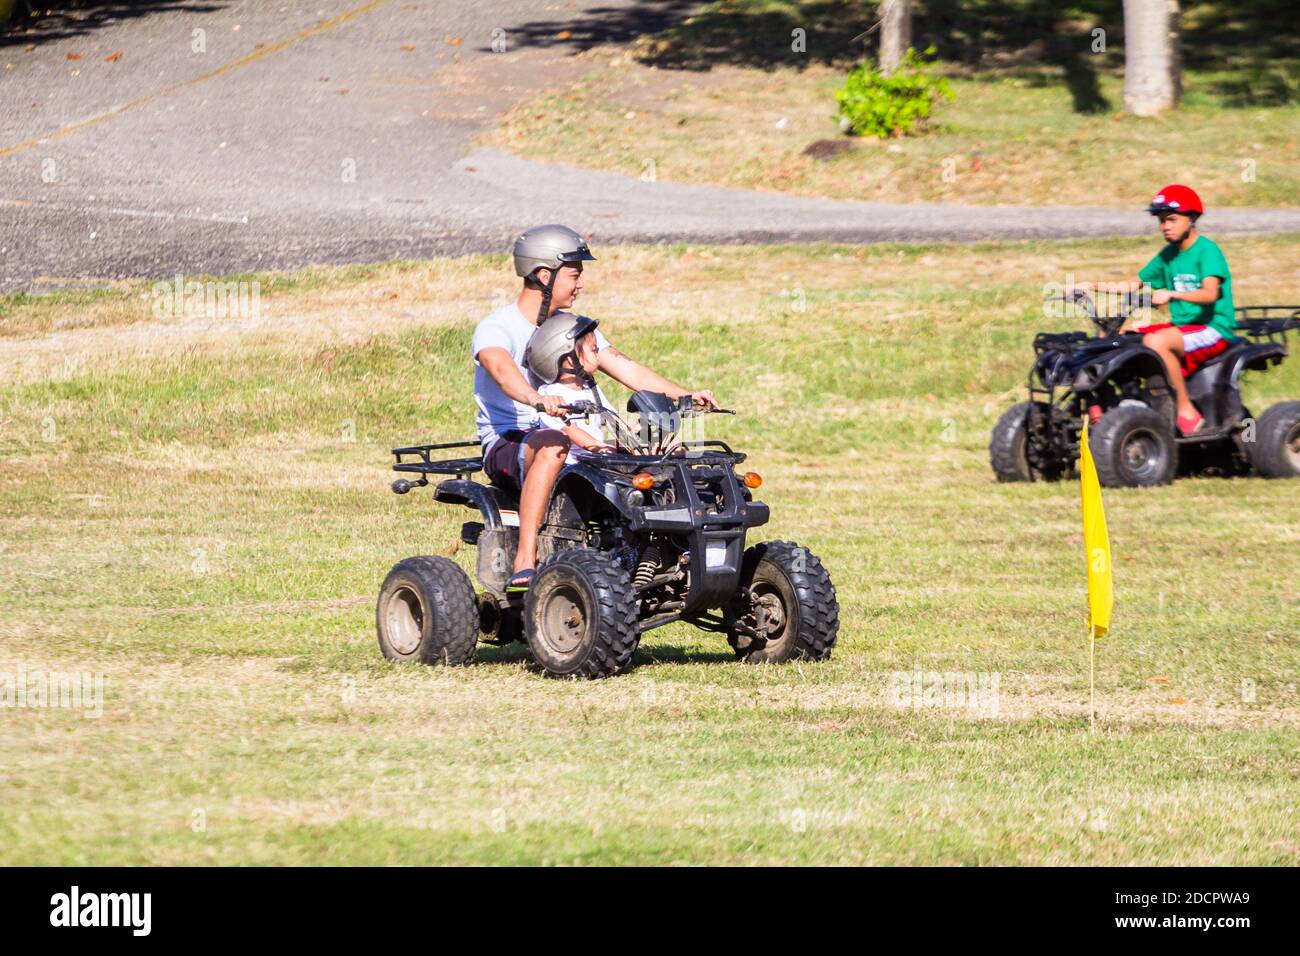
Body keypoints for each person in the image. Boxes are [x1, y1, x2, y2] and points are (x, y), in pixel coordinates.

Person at [471, 224, 720, 592]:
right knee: (554, 440)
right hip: (513, 441)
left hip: (577, 438)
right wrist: (535, 398)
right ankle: (526, 557)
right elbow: (502, 370)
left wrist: (685, 395)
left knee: (662, 452)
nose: (581, 284)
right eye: (575, 274)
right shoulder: (497, 327)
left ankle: (673, 554)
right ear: (544, 275)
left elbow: (625, 366)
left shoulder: (573, 329)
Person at [1067, 184, 1237, 435]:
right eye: (1161, 221)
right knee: (1118, 339)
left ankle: (1184, 410)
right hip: (1182, 328)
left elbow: (1210, 293)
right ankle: (1107, 407)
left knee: (1156, 342)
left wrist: (1173, 293)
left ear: (1191, 219)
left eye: (1172, 219)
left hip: (1213, 327)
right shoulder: (1168, 255)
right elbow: (1131, 284)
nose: (1165, 226)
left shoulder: (1207, 251)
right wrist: (1089, 285)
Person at [527, 313, 619, 463]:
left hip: (595, 461)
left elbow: (612, 420)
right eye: (594, 350)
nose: (598, 356)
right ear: (570, 359)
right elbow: (572, 431)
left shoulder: (591, 389)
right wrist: (603, 449)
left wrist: (637, 433)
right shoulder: (550, 396)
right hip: (570, 467)